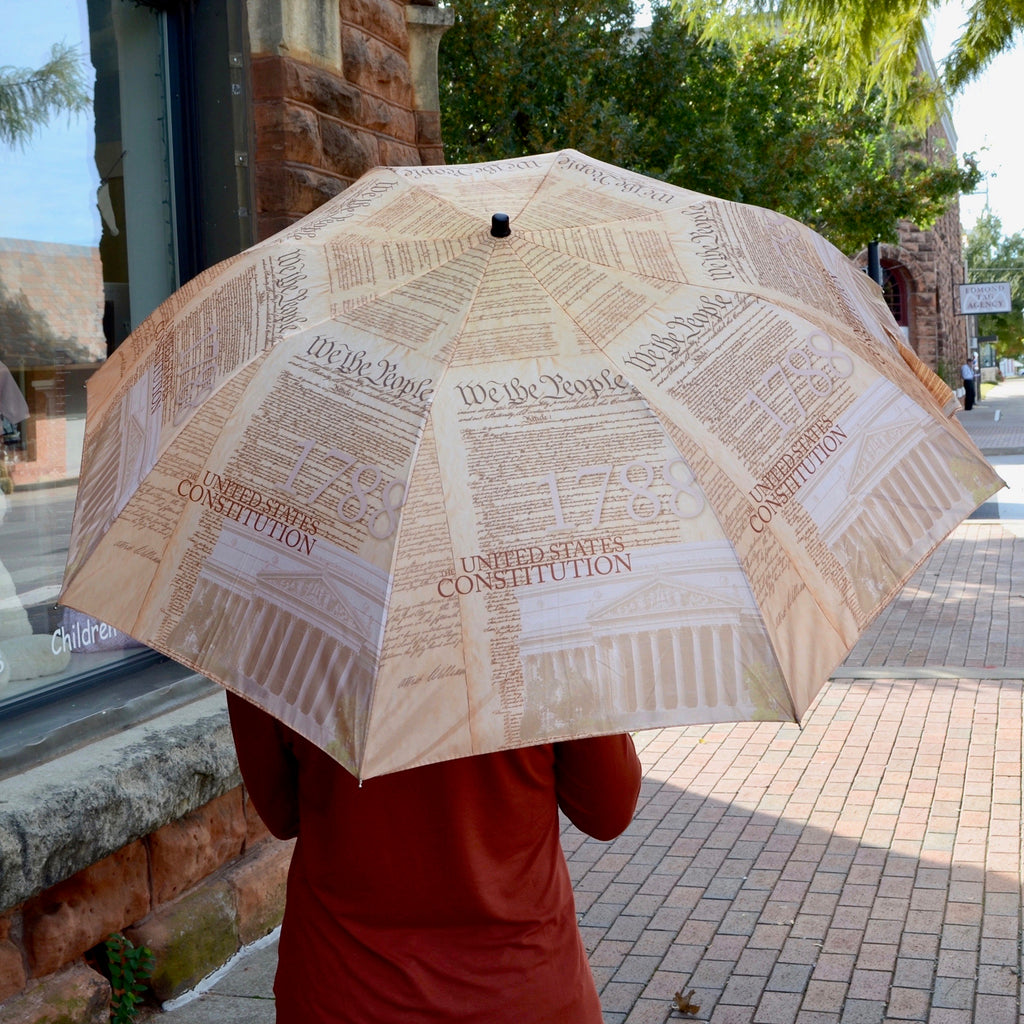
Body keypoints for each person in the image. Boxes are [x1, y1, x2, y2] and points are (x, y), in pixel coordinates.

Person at [227, 692, 642, 1024]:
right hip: (519, 986)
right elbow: (607, 811)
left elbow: (282, 814)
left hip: (344, 990)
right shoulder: (540, 631)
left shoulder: (282, 637)